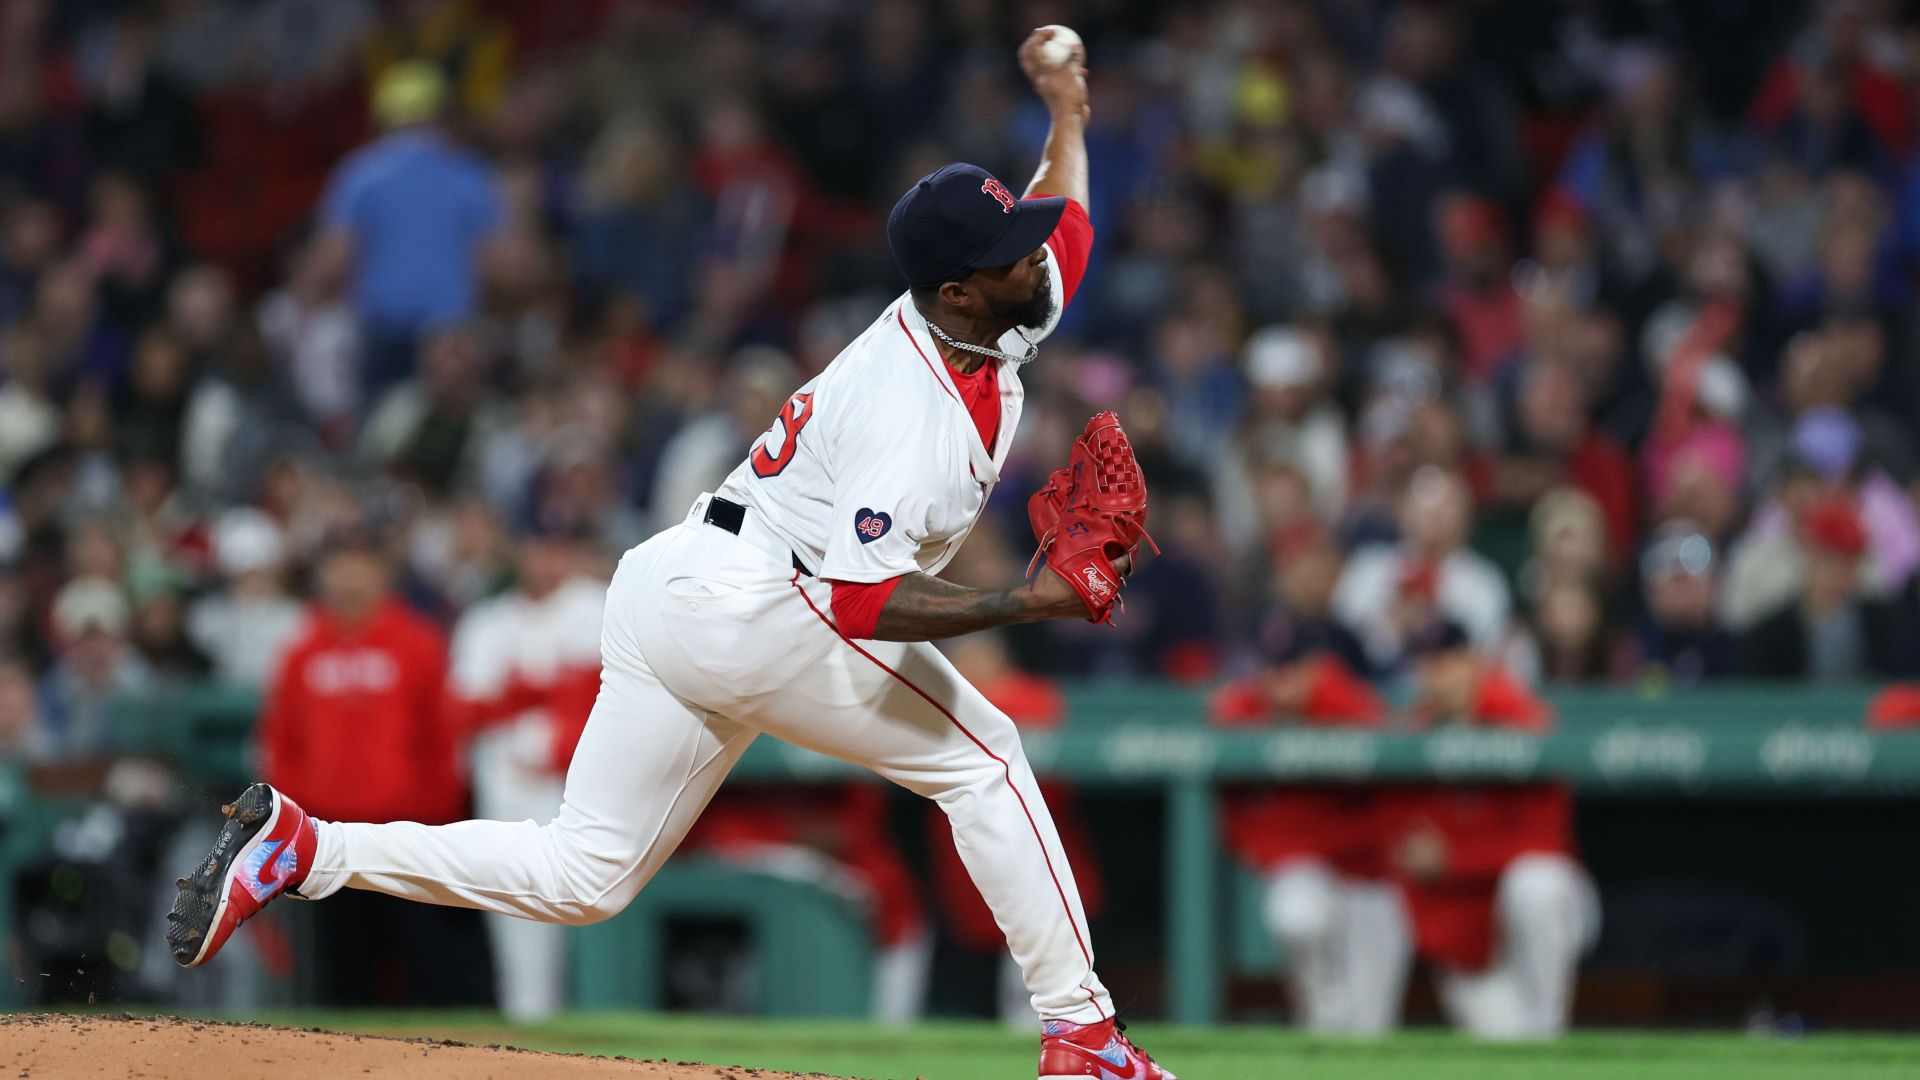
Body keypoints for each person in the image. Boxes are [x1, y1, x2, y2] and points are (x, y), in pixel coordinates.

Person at [167, 30, 1173, 1079]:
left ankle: (308, 847)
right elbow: (860, 604)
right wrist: (1028, 602)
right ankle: (1085, 1040)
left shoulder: (997, 300)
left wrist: (1066, 115)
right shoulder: (904, 412)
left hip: (680, 583)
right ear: (959, 289)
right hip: (761, 598)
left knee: (585, 873)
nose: (1035, 254)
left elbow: (1070, 215)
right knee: (986, 757)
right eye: (1013, 248)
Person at [254, 528, 491, 1005]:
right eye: (339, 564)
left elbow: (442, 739)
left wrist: (432, 818)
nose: (349, 576)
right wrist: (303, 822)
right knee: (342, 980)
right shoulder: (302, 650)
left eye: (360, 563)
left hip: (408, 836)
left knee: (425, 971)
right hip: (331, 841)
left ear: (383, 572)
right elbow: (282, 742)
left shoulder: (418, 644)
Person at [1386, 619, 1599, 1040]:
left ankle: (1550, 1032)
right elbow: (1407, 846)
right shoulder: (1415, 734)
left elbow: (1544, 842)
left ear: (1474, 662)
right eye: (1426, 666)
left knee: (1535, 883)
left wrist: (1454, 859)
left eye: (1447, 662)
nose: (1436, 677)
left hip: (1540, 913)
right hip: (1466, 921)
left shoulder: (1523, 720)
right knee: (1502, 1051)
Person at [445, 517, 606, 1022]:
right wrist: (539, 691)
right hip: (506, 784)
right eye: (538, 544)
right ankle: (528, 1028)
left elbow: (602, 691)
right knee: (514, 907)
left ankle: (598, 1030)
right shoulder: (487, 621)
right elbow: (464, 709)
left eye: (558, 545)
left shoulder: (595, 605)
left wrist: (524, 693)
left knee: (593, 906)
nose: (546, 557)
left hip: (580, 781)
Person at [1211, 629, 1405, 1035]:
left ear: (1314, 668)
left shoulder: (1348, 703)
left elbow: (1395, 793)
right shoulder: (1242, 709)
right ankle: (1319, 1013)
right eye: (1273, 670)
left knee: (1373, 1027)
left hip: (1368, 878)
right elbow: (1227, 809)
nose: (1281, 682)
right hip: (1304, 867)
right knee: (1295, 915)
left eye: (1293, 670)